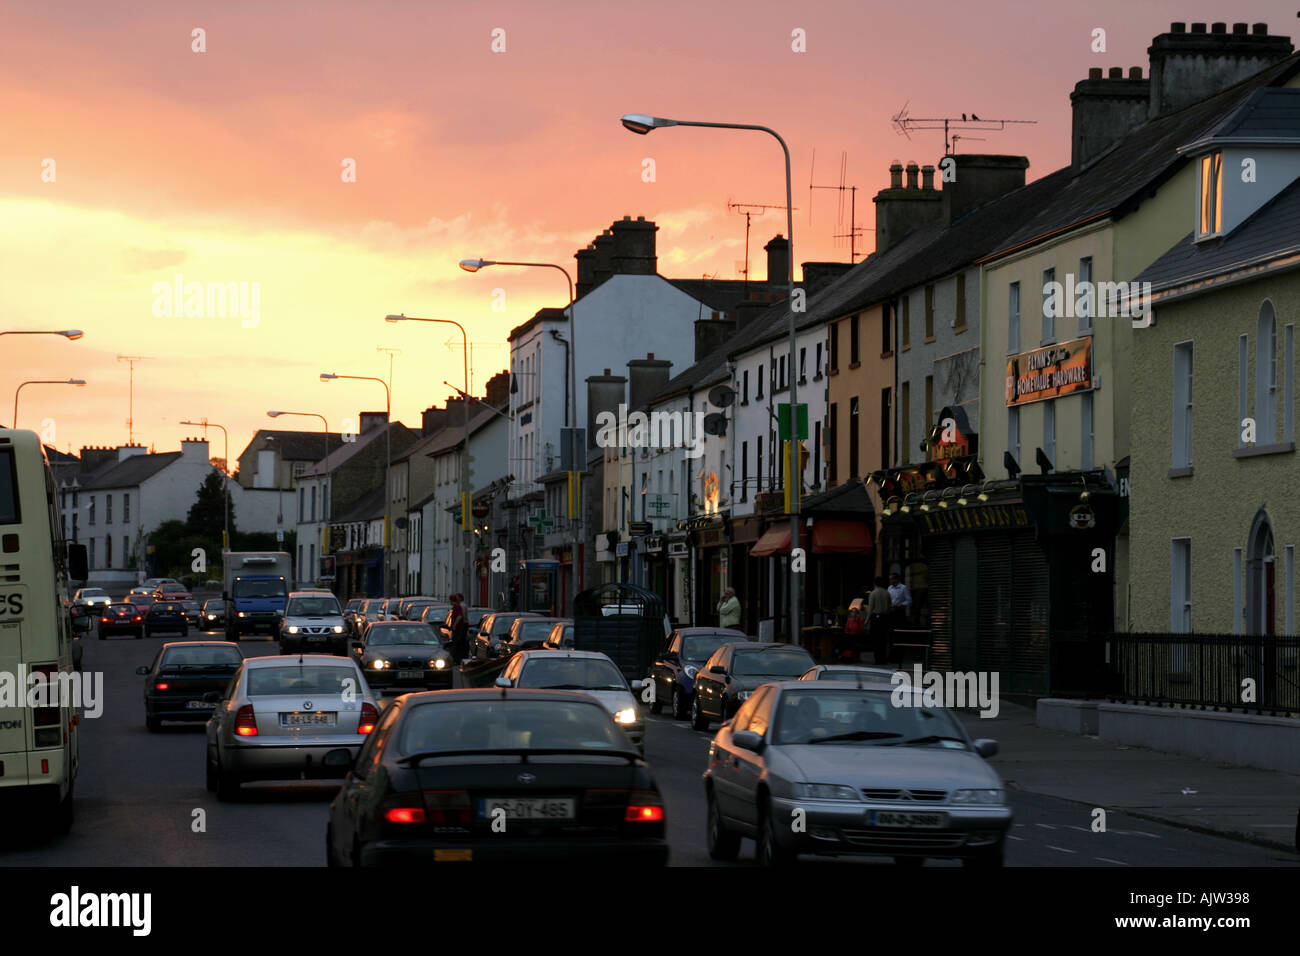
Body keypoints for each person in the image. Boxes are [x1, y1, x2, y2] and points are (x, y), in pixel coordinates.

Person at [867, 576, 892, 665]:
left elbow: (870, 608)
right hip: (885, 617)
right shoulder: (887, 593)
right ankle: (883, 658)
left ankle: (877, 659)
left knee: (876, 639)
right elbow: (890, 607)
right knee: (883, 639)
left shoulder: (873, 593)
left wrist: (867, 620)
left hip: (876, 618)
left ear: (875, 583)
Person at [448, 593, 468, 663]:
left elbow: (459, 616)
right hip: (459, 627)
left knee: (456, 643)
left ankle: (456, 659)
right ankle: (457, 658)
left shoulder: (457, 606)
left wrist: (454, 625)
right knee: (458, 643)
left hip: (458, 628)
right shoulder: (457, 606)